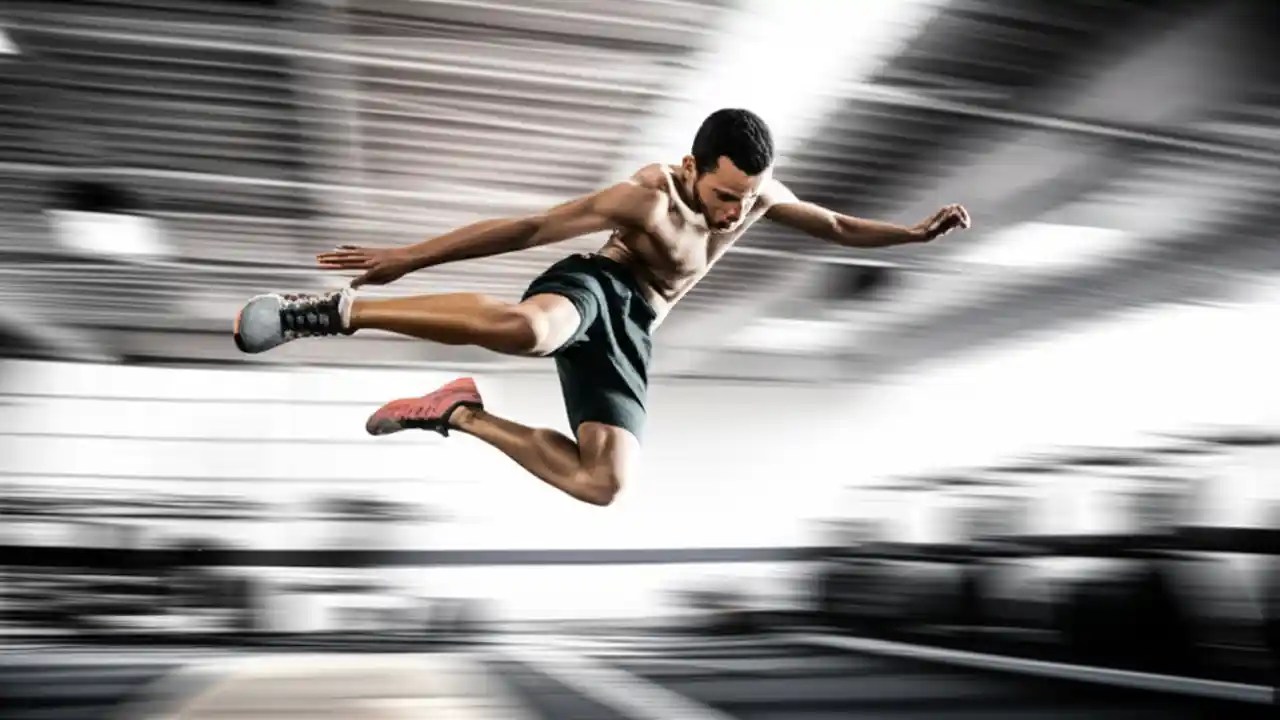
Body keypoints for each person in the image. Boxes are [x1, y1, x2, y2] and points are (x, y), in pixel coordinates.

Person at [233, 108, 970, 507]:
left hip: (637, 329)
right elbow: (528, 228)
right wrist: (408, 257)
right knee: (530, 332)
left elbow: (834, 225)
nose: (733, 215)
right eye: (723, 197)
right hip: (597, 288)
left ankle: (456, 412)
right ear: (691, 167)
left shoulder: (756, 193)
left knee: (604, 484)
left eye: (747, 201)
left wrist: (911, 234)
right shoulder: (644, 197)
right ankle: (333, 313)